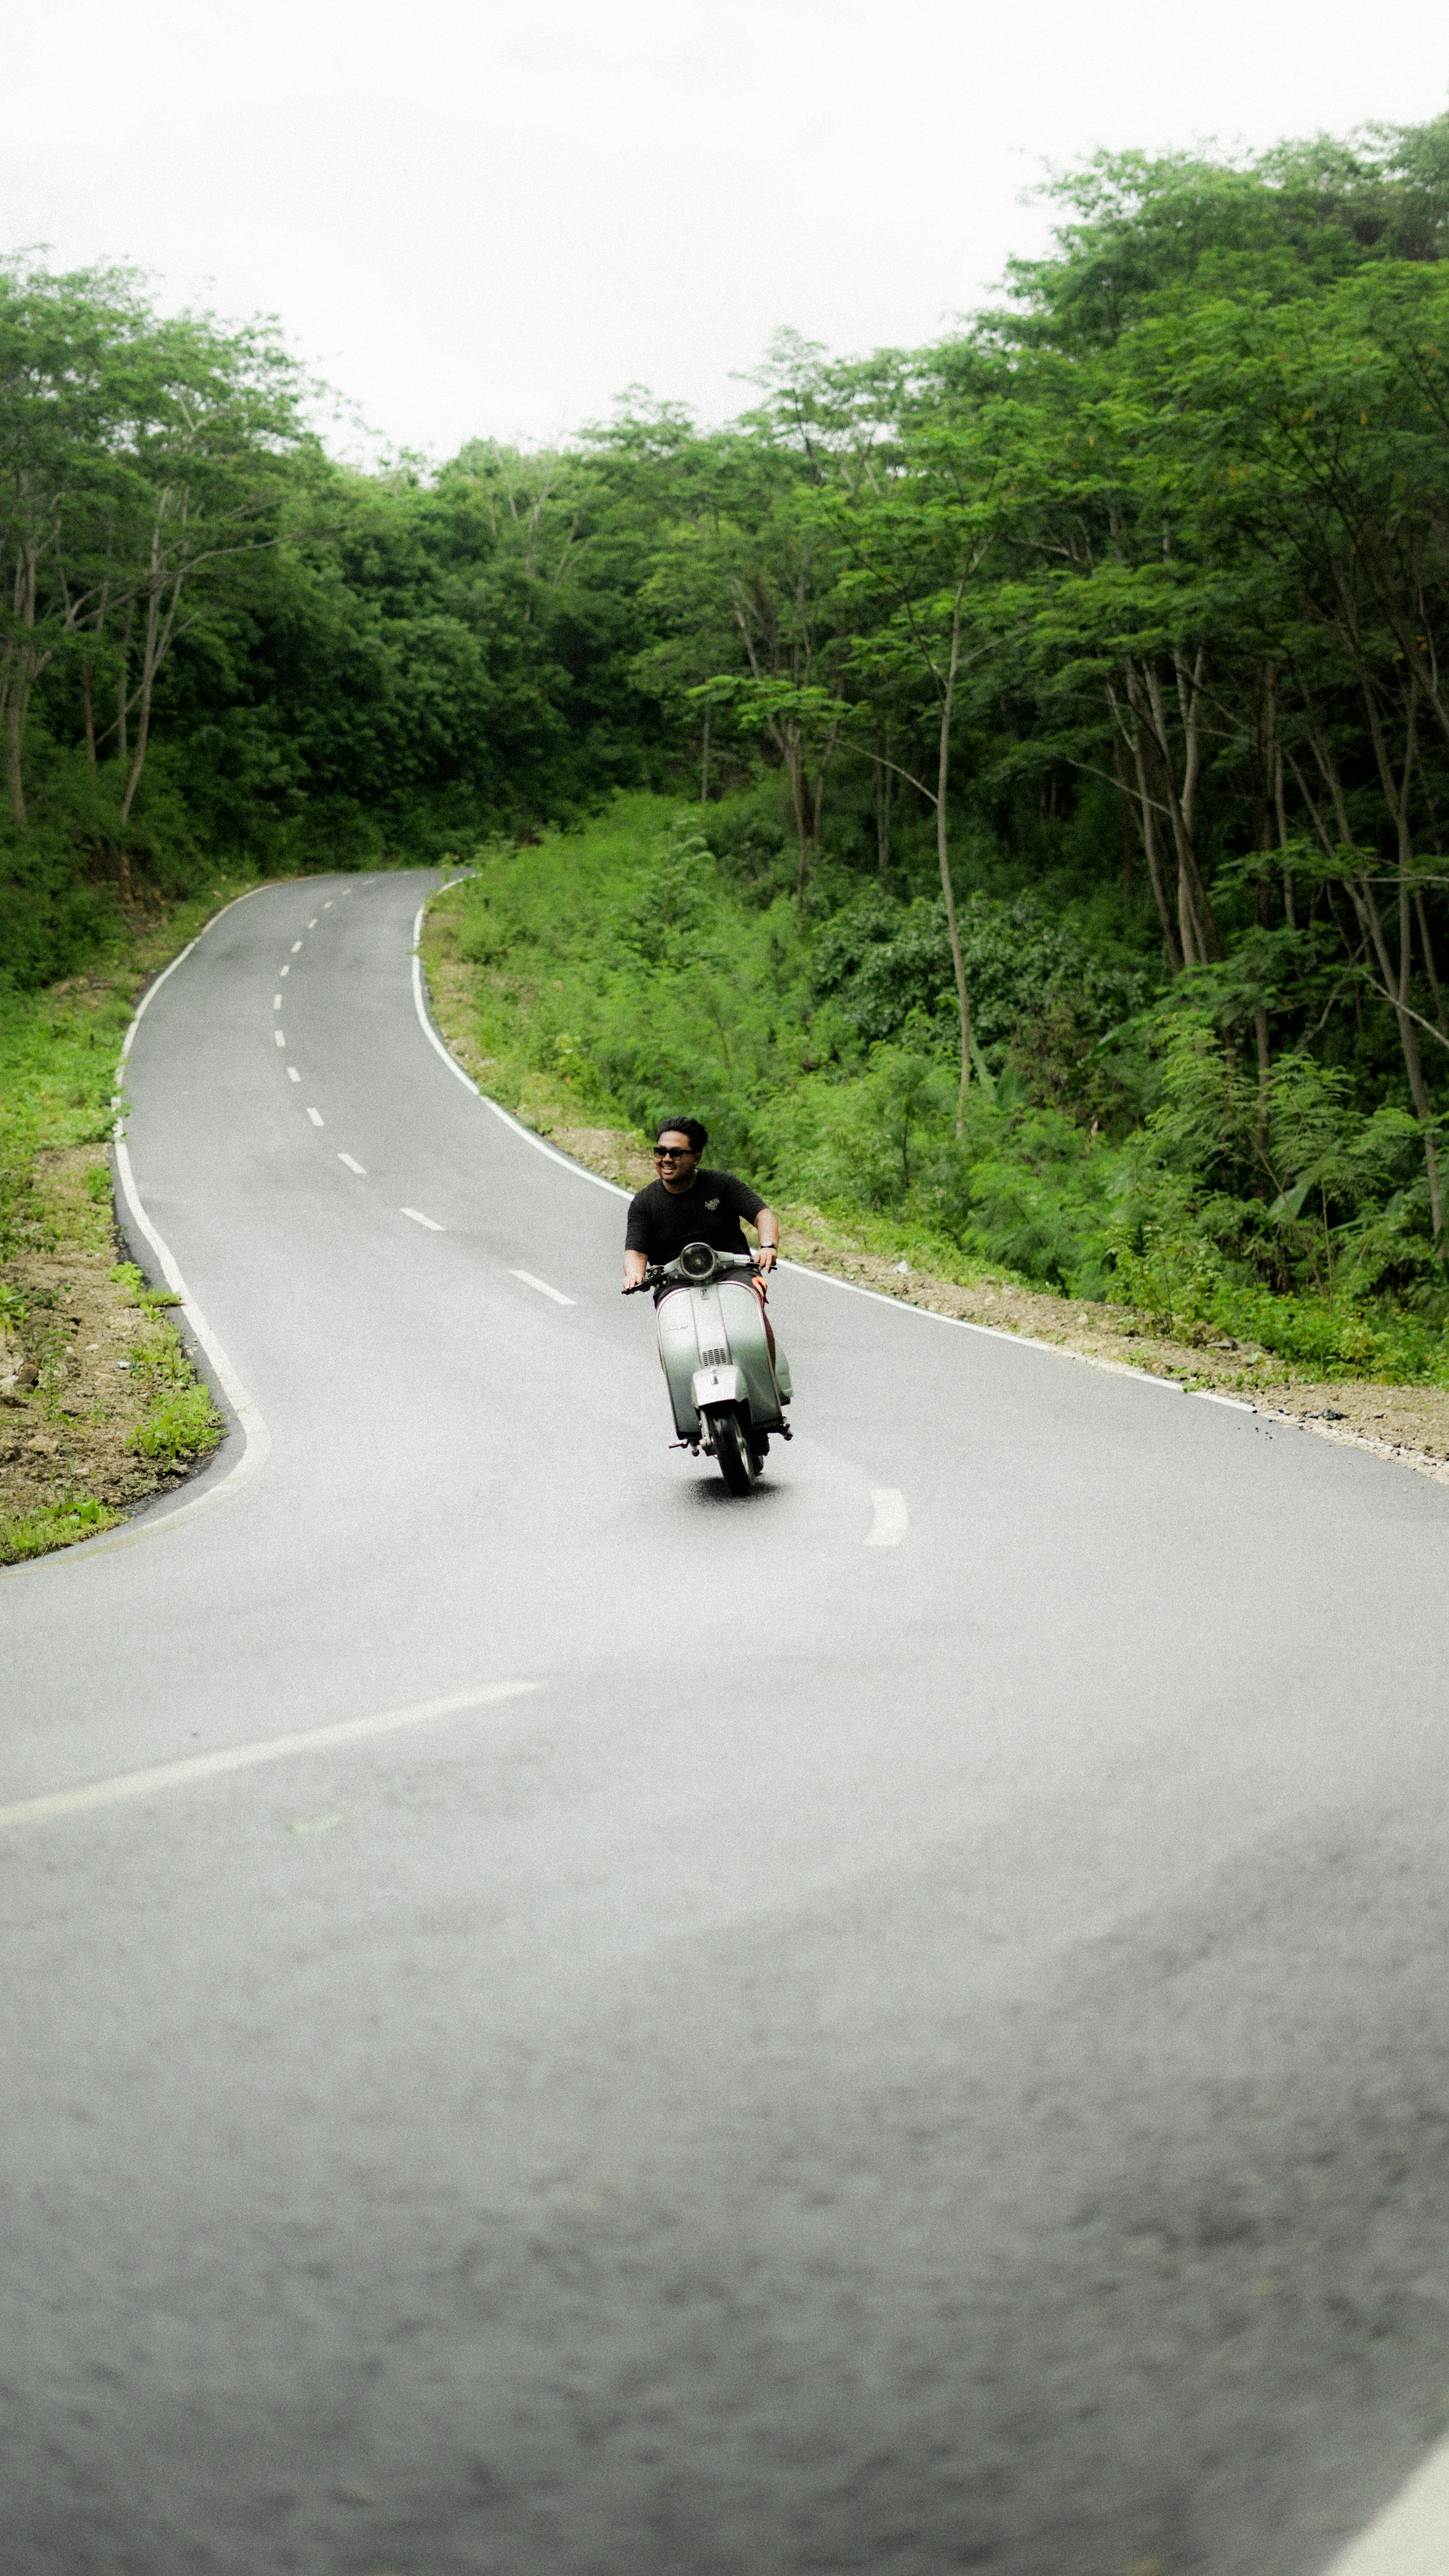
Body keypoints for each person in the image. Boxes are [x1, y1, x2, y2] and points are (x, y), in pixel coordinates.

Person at [622, 1119, 780, 1322]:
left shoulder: (723, 1184)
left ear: (696, 1158)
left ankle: (766, 1355)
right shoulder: (644, 1203)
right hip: (675, 1283)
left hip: (734, 1273)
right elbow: (636, 1251)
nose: (666, 1159)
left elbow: (763, 1215)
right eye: (661, 1152)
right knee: (672, 1331)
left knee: (753, 1308)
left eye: (676, 1153)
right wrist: (634, 1274)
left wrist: (768, 1245)